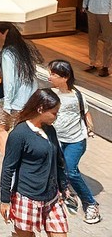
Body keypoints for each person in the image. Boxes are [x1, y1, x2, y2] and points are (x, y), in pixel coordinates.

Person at [0, 88, 69, 237]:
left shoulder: (50, 131)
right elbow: (8, 168)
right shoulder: (19, 134)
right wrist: (5, 200)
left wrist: (63, 186)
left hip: (52, 197)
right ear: (40, 109)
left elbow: (58, 160)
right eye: (54, 113)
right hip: (27, 197)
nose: (56, 117)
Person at [47, 59, 100, 224]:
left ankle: (91, 203)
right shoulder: (50, 94)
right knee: (55, 169)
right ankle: (63, 198)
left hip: (76, 139)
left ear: (65, 77)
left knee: (71, 171)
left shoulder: (77, 95)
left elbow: (85, 112)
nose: (49, 77)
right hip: (56, 139)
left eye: (53, 74)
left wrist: (90, 127)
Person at [0, 21, 42, 153]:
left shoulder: (8, 53)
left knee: (0, 125)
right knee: (19, 130)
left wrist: (7, 104)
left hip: (16, 101)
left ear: (5, 32)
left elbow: (10, 82)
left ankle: (8, 160)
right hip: (31, 97)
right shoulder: (23, 47)